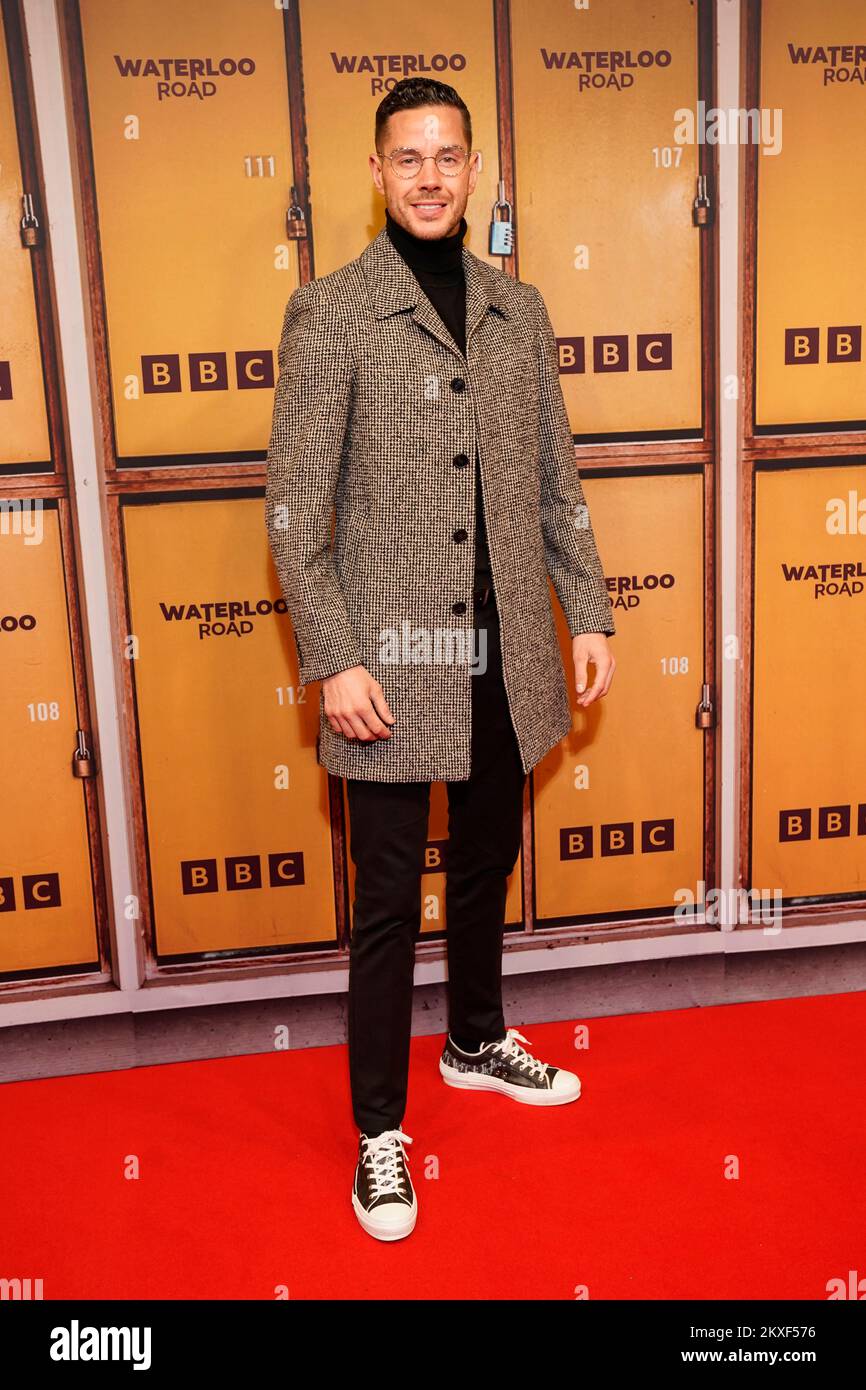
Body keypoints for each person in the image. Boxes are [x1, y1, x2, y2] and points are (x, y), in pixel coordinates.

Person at [266, 77, 616, 1242]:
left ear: (476, 172)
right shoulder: (331, 311)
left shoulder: (521, 312)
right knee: (383, 909)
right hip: (385, 669)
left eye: (447, 155)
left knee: (481, 866)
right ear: (374, 174)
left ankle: (473, 1040)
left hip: (503, 655)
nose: (427, 175)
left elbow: (556, 487)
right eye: (406, 156)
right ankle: (378, 1135)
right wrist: (336, 658)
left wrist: (591, 615)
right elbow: (291, 516)